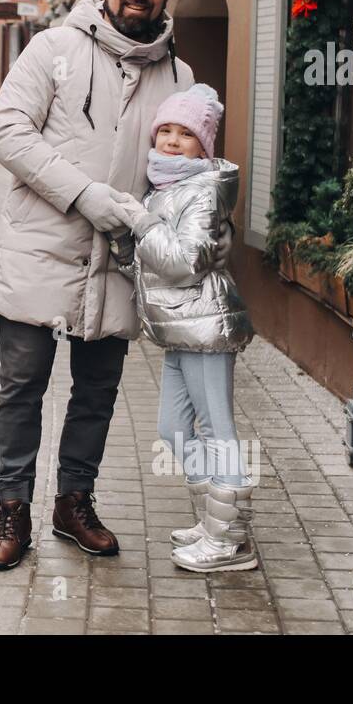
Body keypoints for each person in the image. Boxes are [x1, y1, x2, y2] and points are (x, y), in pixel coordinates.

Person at [0, 0, 231, 570]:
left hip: (121, 259)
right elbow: (7, 131)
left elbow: (188, 170)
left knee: (97, 390)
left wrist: (180, 232)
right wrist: (84, 193)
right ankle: (13, 508)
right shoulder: (54, 48)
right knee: (22, 385)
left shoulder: (180, 76)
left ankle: (74, 503)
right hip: (39, 247)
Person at [115, 82, 258, 572]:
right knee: (173, 428)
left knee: (219, 431)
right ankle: (215, 521)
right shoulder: (166, 187)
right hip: (181, 327)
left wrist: (141, 224)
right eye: (166, 131)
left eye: (186, 134)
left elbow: (184, 262)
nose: (173, 141)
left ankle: (228, 543)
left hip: (204, 325)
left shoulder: (200, 191)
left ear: (204, 145)